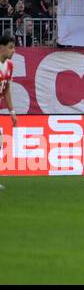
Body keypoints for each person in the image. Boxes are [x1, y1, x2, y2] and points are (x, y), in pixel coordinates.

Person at [0, 33, 16, 190]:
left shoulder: (9, 66)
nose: (14, 51)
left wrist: (12, 111)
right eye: (10, 47)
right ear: (1, 47)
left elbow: (6, 89)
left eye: (14, 47)